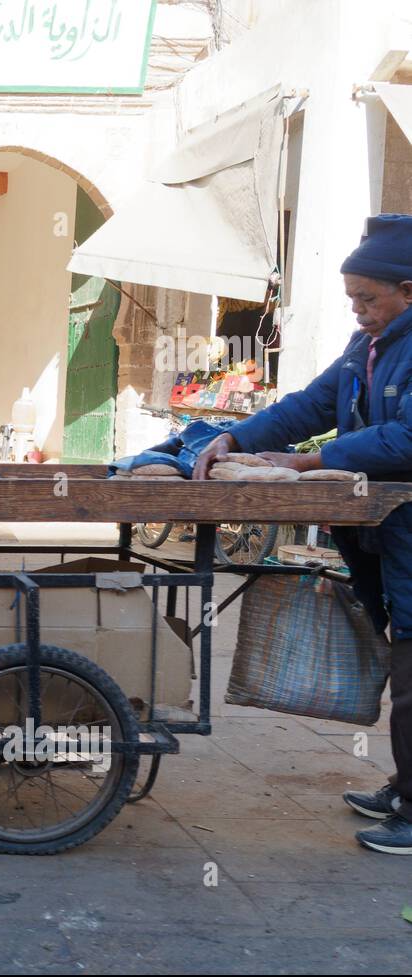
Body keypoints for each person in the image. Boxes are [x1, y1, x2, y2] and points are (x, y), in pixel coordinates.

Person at [192, 214, 412, 854]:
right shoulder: (362, 348)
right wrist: (233, 438)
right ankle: (404, 787)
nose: (359, 311)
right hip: (388, 538)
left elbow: (404, 437)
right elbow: (309, 407)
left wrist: (314, 461)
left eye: (369, 299)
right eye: (353, 299)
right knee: (403, 664)